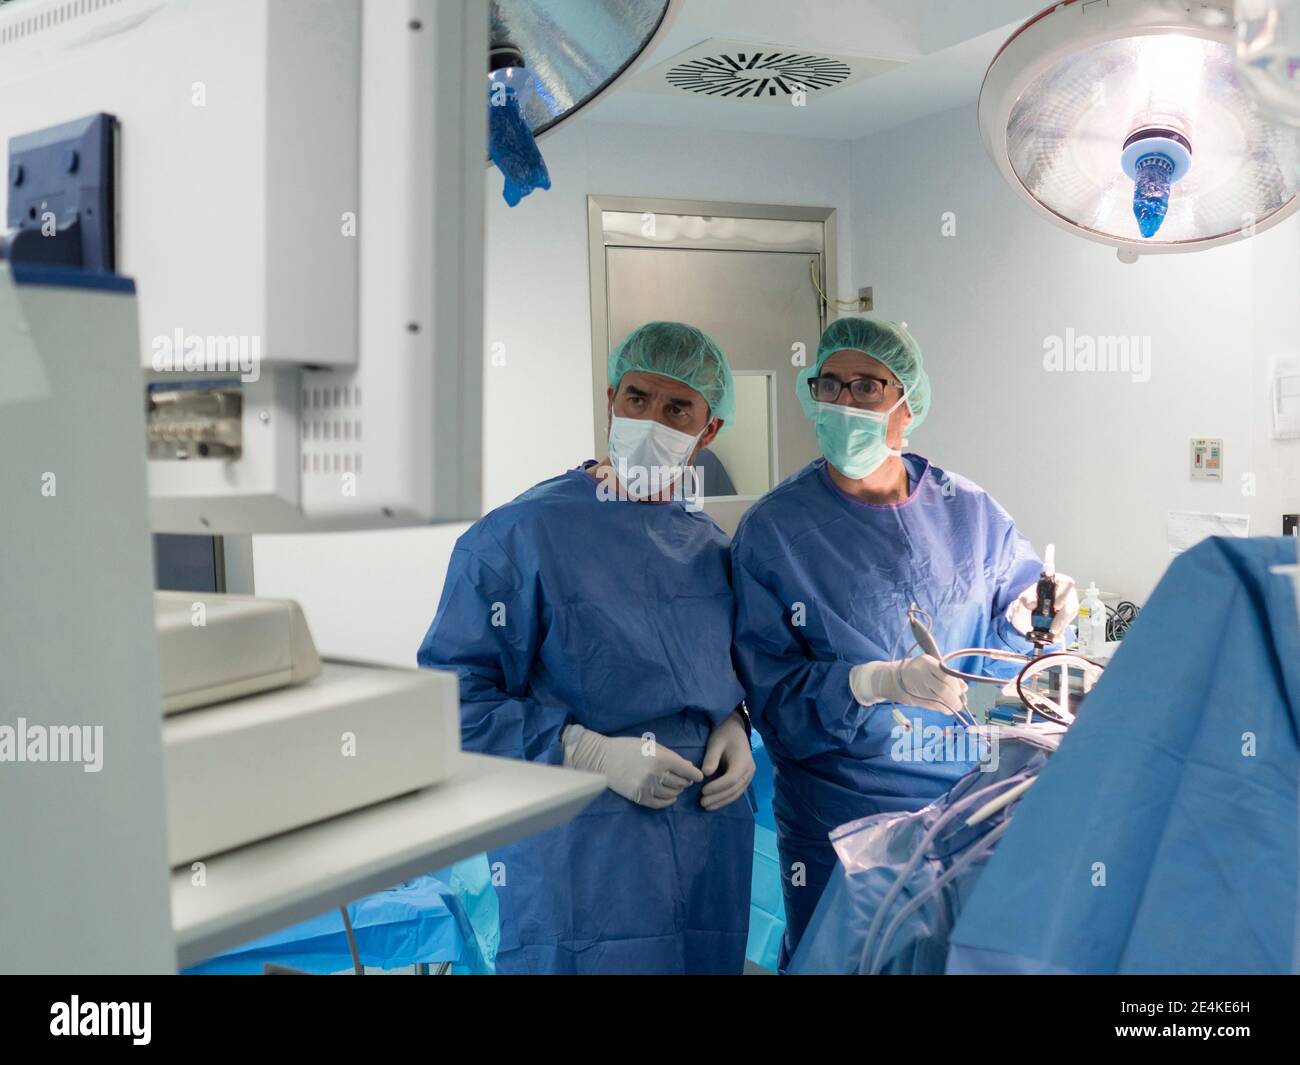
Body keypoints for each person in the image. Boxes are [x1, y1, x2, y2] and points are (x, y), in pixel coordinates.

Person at [729, 316, 1077, 968]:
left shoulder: (967, 509)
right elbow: (771, 695)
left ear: (907, 404)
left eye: (867, 386)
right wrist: (874, 682)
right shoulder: (774, 530)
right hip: (840, 813)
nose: (843, 403)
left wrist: (1044, 612)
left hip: (964, 801)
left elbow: (1016, 624)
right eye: (829, 385)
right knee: (840, 958)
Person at [417, 320, 756, 974]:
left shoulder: (711, 548)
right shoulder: (520, 535)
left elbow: (736, 670)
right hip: (582, 853)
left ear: (708, 430)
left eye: (677, 407)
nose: (651, 418)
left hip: (708, 843)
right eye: (636, 398)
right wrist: (585, 749)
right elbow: (450, 704)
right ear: (610, 399)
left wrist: (738, 722)